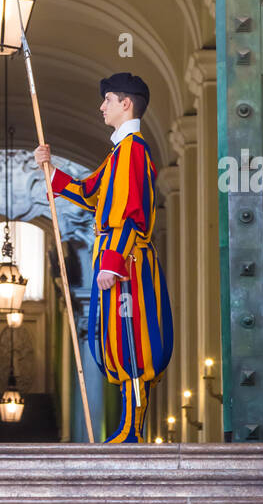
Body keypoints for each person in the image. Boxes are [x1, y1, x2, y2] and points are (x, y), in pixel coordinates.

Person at [34, 72, 173, 444]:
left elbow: (130, 212)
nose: (101, 107)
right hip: (117, 259)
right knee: (117, 338)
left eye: (107, 100)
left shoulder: (133, 150)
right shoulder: (118, 153)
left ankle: (133, 430)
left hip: (127, 262)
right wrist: (50, 169)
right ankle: (129, 428)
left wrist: (111, 263)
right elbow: (90, 193)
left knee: (133, 341)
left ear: (125, 103)